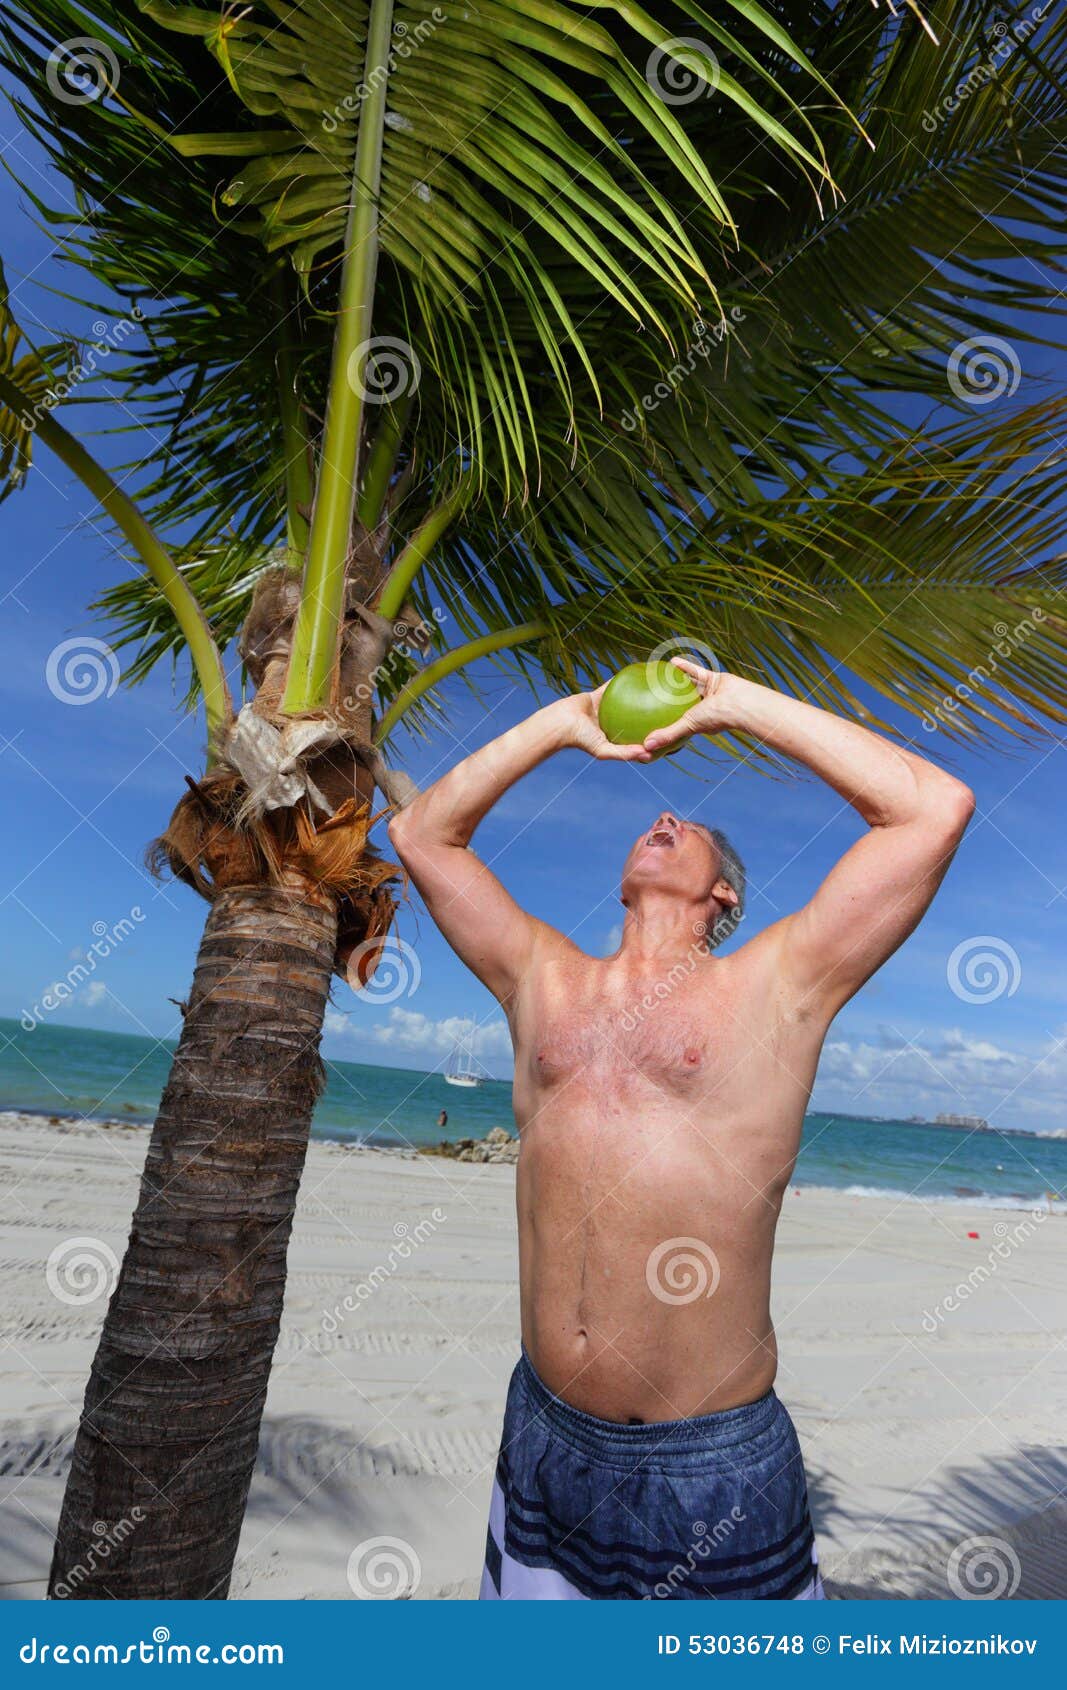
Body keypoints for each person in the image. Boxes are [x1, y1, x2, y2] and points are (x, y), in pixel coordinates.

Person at [388, 659, 974, 1601]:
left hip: (707, 1469)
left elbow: (931, 808)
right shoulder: (541, 978)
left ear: (725, 899)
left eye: (689, 827)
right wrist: (567, 721)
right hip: (541, 1434)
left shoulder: (776, 989)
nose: (661, 819)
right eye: (652, 819)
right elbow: (421, 835)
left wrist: (732, 702)